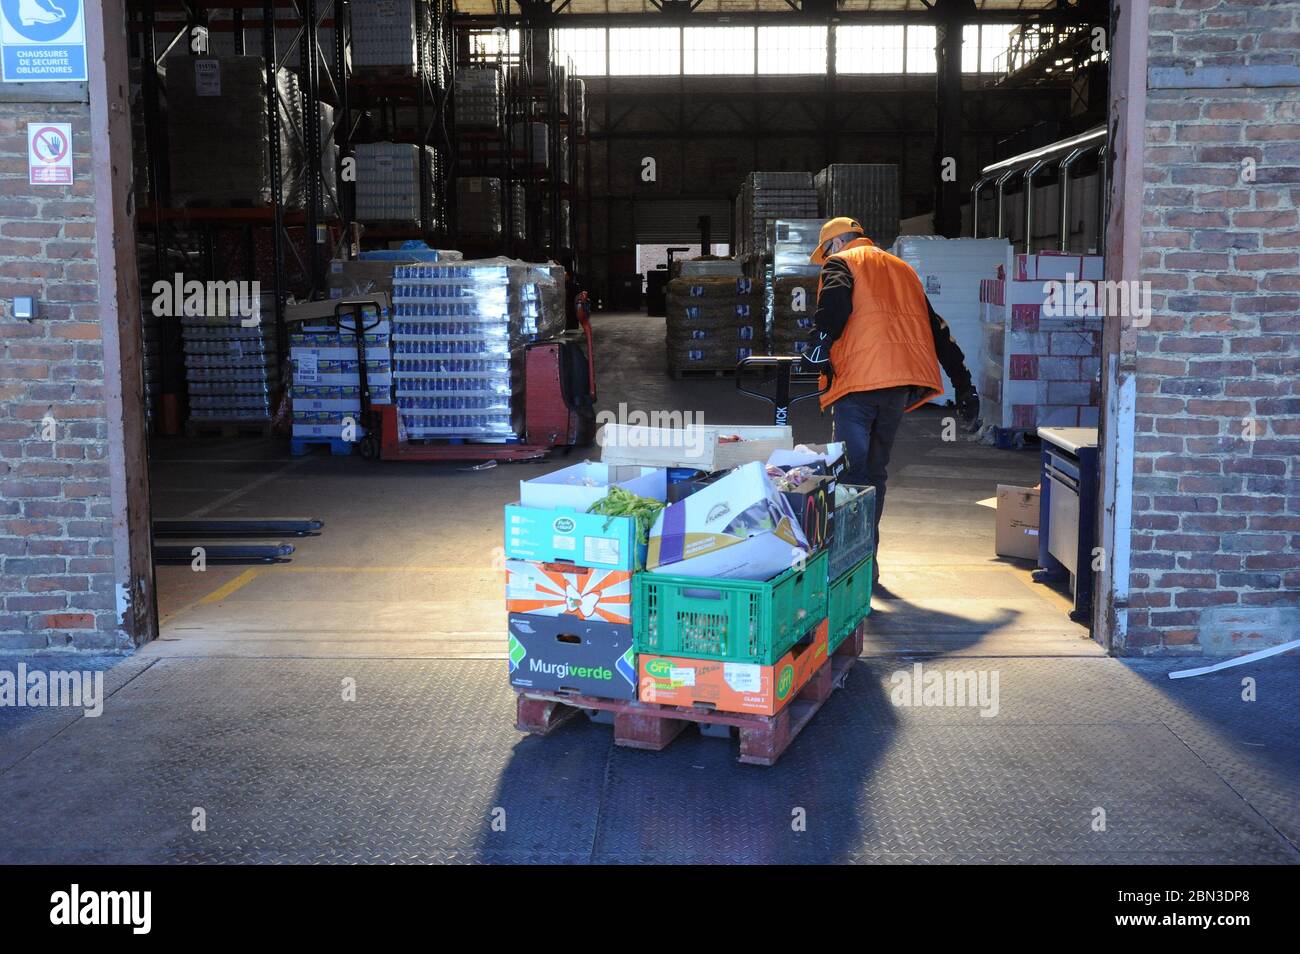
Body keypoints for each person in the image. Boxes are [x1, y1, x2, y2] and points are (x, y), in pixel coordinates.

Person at [801, 217, 978, 592]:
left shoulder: (843, 263)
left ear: (837, 244)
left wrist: (818, 343)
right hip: (897, 386)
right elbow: (937, 330)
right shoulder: (903, 270)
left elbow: (835, 304)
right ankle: (868, 559)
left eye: (826, 251)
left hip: (858, 383)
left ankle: (850, 565)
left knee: (851, 473)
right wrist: (964, 384)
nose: (826, 259)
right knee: (875, 472)